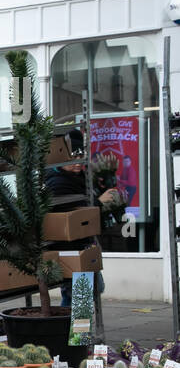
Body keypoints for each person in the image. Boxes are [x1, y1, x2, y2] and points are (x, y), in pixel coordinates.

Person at [44, 130, 112, 307]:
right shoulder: (57, 182)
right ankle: (75, 334)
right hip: (70, 249)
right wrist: (99, 202)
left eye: (80, 155)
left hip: (80, 247)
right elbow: (74, 215)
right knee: (78, 297)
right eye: (71, 157)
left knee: (86, 293)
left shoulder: (76, 178)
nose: (77, 162)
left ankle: (76, 333)